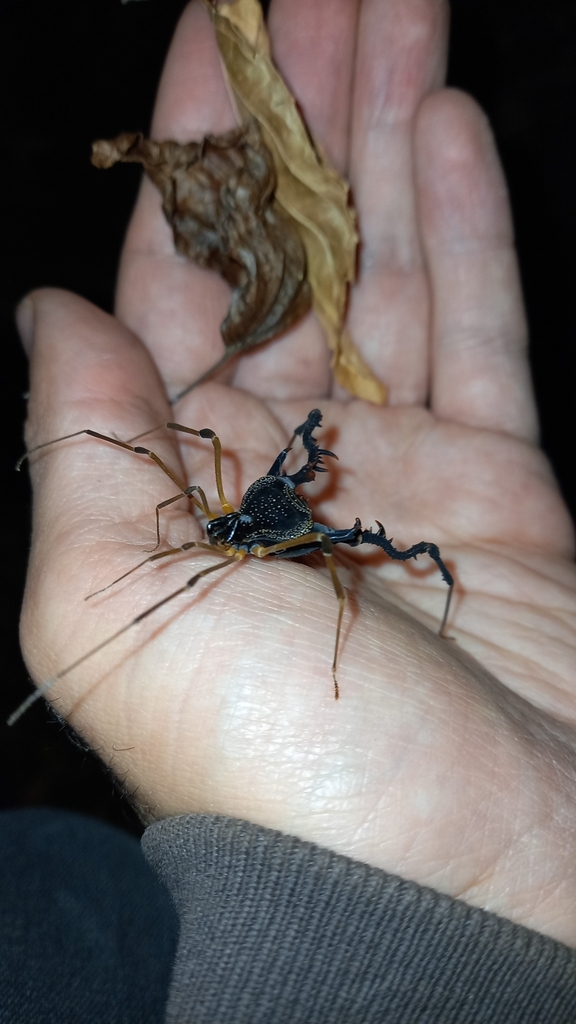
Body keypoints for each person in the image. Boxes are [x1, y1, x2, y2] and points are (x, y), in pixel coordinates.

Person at [10, 0, 576, 1019]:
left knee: (350, 539)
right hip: (240, 522)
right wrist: (121, 440)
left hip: (270, 530)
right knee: (188, 449)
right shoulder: (222, 501)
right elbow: (173, 451)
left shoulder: (287, 521)